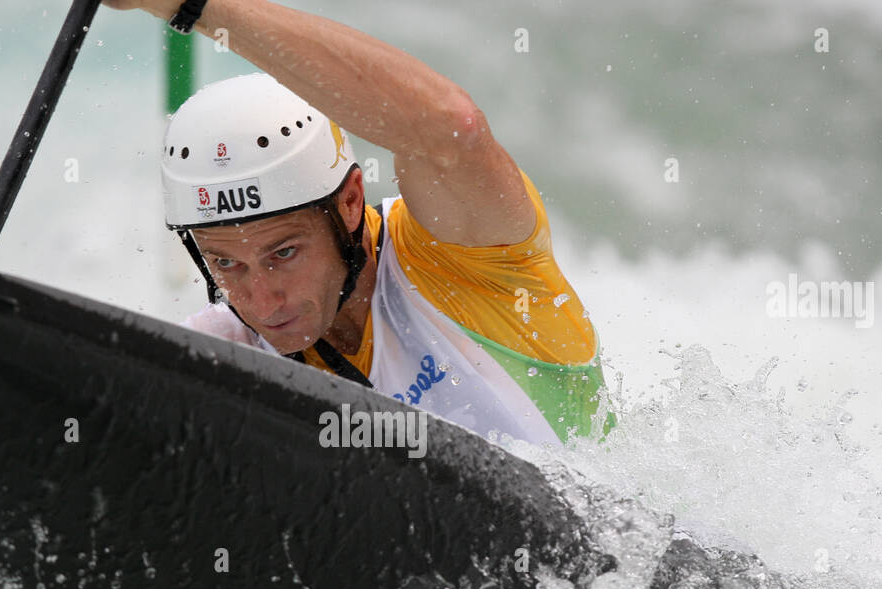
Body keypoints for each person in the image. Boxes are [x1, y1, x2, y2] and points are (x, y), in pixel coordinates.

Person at [106, 0, 614, 446]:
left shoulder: (464, 257)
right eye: (226, 263)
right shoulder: (233, 346)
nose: (260, 302)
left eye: (283, 253)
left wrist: (194, 3)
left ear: (350, 202)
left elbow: (450, 125)